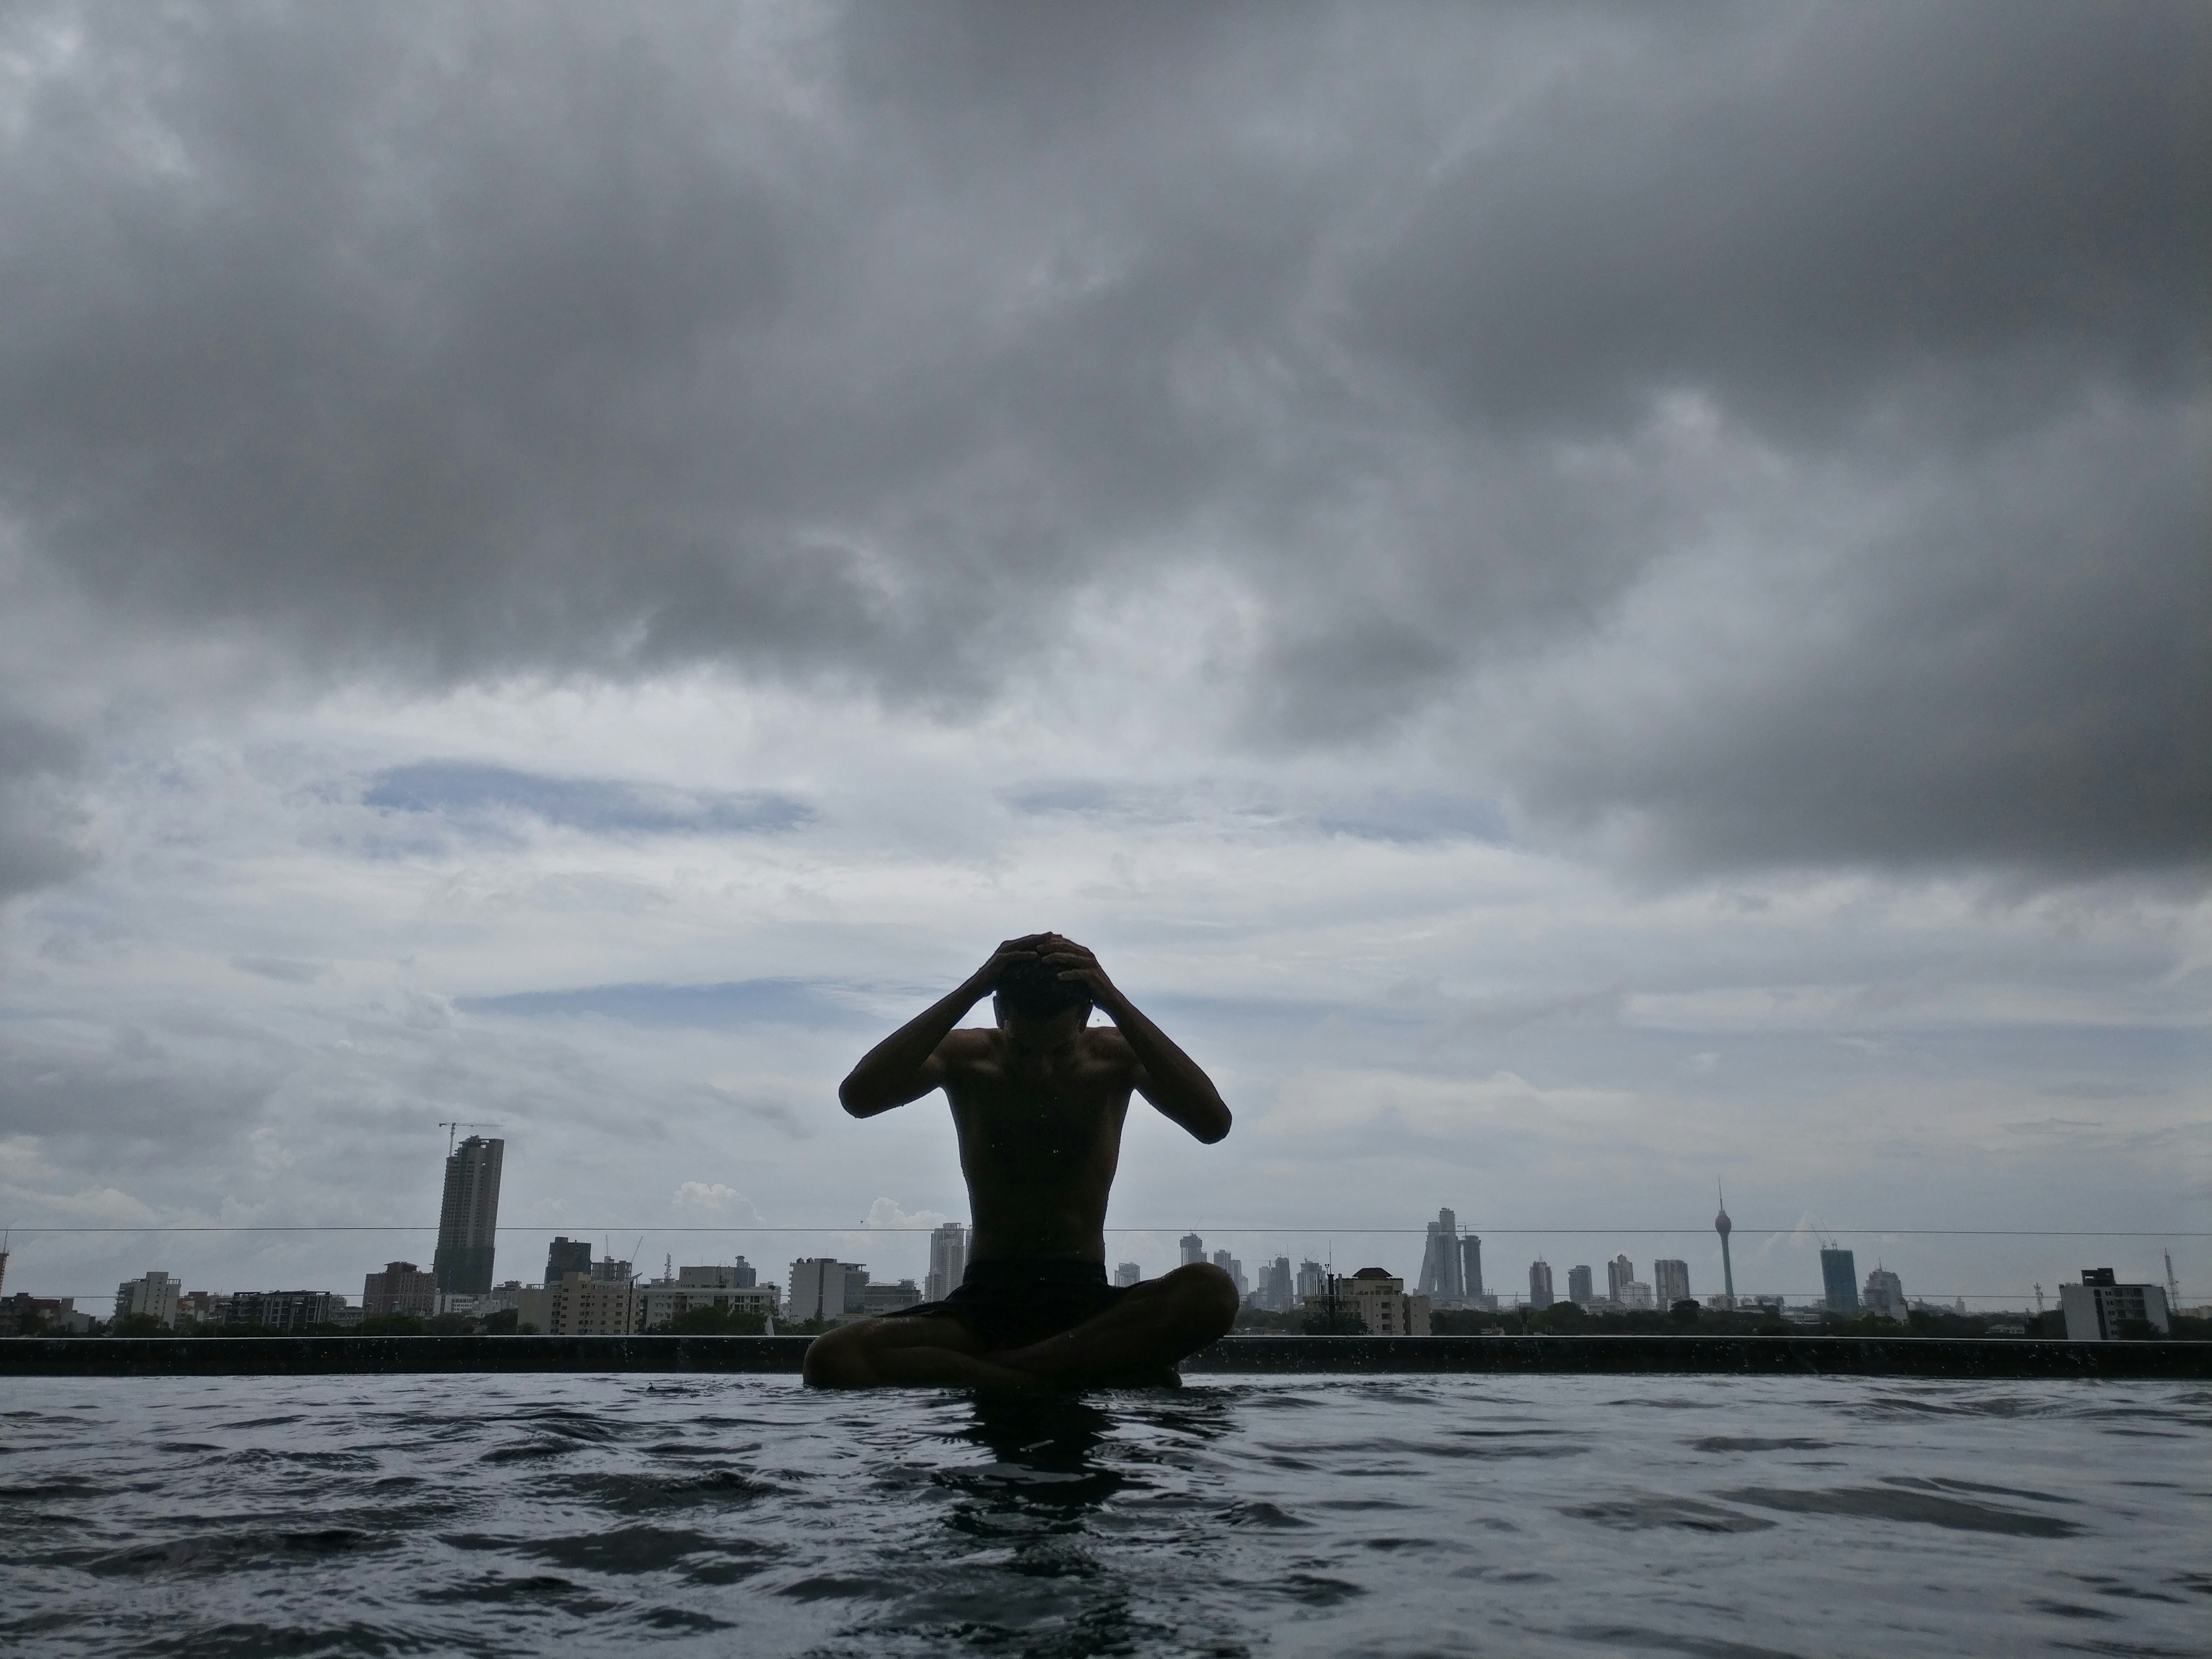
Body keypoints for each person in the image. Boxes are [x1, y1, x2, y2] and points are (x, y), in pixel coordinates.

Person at [803, 933, 1238, 1389]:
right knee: (831, 1357)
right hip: (986, 1302)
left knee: (1211, 1291)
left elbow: (1213, 1124)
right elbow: (858, 1097)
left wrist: (1113, 997)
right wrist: (974, 986)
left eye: (1059, 1051)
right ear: (1000, 1017)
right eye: (1025, 1051)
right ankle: (1082, 1367)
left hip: (1084, 1298)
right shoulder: (966, 1058)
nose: (1041, 1070)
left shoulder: (1117, 1056)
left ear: (1085, 1019)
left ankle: (1008, 1371)